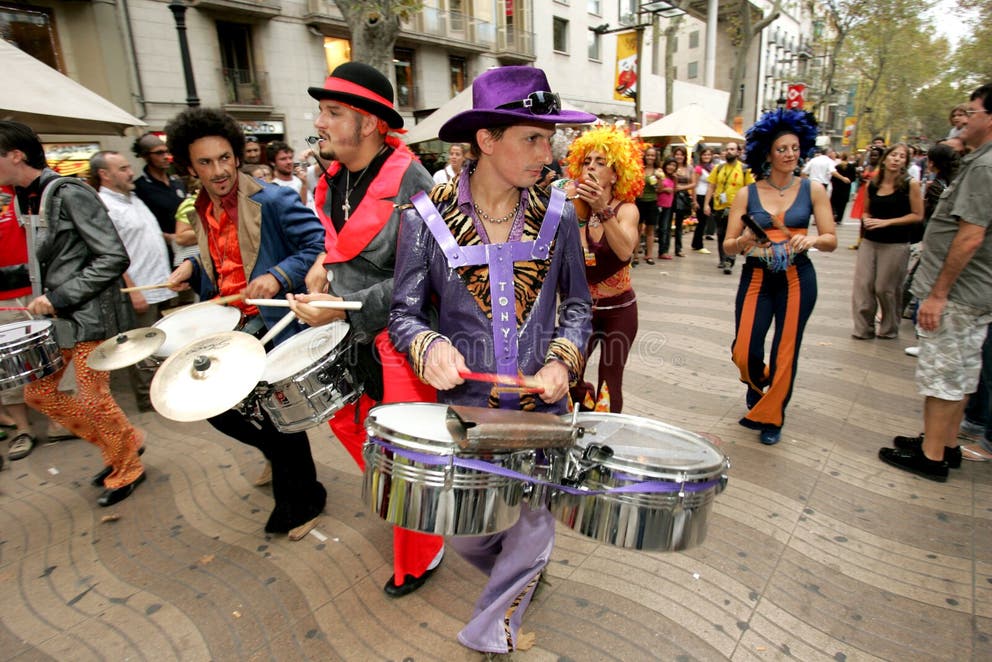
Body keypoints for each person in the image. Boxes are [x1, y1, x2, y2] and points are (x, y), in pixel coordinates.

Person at [389, 65, 594, 655]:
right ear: (486, 139)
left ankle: (490, 628)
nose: (547, 153)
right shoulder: (424, 219)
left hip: (542, 410)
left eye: (549, 138)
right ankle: (523, 569)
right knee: (466, 535)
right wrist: (426, 346)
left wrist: (562, 359)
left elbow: (578, 307)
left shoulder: (559, 215)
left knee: (535, 518)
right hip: (469, 412)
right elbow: (404, 313)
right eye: (531, 137)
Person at [285, 62, 443, 598]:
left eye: (332, 113)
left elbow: (424, 277)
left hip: (401, 334)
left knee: (402, 450)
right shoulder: (331, 181)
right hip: (351, 332)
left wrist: (343, 309)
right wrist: (319, 276)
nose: (319, 122)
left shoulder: (412, 179)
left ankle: (421, 550)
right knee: (347, 427)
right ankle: (411, 500)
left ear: (371, 123)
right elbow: (338, 248)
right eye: (321, 111)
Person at [164, 107, 327, 540]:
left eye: (224, 158)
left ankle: (305, 498)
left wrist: (278, 276)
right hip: (226, 321)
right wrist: (190, 270)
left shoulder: (272, 199)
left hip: (270, 325)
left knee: (278, 417)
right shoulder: (201, 208)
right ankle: (279, 457)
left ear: (236, 155)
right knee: (213, 409)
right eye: (205, 162)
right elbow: (218, 263)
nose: (218, 171)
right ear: (190, 166)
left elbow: (318, 244)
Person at [0, 120, 145, 505]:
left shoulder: (69, 192)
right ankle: (125, 443)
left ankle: (127, 464)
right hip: (63, 319)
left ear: (16, 155)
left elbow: (113, 257)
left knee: (95, 398)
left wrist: (59, 296)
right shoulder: (21, 197)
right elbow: (42, 264)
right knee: (39, 395)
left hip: (94, 316)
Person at [879, 83, 992, 481]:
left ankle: (932, 456)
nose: (964, 120)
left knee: (942, 374)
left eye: (972, 113)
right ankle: (943, 442)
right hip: (972, 294)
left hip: (958, 295)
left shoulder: (984, 167)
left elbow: (971, 234)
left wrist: (939, 293)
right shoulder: (980, 160)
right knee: (960, 373)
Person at [722, 109, 837, 445]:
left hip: (797, 278)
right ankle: (758, 384)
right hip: (756, 277)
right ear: (767, 154)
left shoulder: (813, 190)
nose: (790, 155)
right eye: (782, 149)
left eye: (795, 148)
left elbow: (831, 239)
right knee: (744, 351)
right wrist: (743, 241)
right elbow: (729, 245)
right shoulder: (747, 193)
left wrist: (812, 239)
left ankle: (772, 415)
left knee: (786, 350)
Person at [563, 126, 642, 412]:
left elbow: (624, 251)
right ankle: (580, 427)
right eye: (587, 161)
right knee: (569, 377)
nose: (592, 167)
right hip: (581, 311)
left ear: (615, 174)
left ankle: (605, 440)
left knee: (609, 385)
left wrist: (602, 209)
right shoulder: (571, 207)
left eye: (601, 162)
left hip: (619, 312)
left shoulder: (627, 210)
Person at [91, 150, 176, 412]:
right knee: (140, 346)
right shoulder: (103, 205)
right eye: (123, 168)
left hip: (161, 283)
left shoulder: (134, 198)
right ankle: (148, 399)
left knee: (162, 340)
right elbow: (110, 253)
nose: (131, 172)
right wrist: (131, 291)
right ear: (104, 174)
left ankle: (164, 388)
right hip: (138, 288)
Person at [850, 143, 923, 340]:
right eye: (893, 155)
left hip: (896, 243)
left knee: (885, 287)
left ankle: (889, 327)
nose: (896, 159)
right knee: (863, 285)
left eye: (901, 157)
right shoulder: (873, 184)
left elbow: (917, 215)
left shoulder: (910, 184)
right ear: (886, 158)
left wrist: (887, 223)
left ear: (905, 162)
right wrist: (866, 218)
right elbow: (866, 209)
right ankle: (863, 328)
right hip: (870, 241)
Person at [704, 141, 754, 274]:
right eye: (727, 149)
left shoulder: (744, 170)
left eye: (732, 149)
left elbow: (751, 189)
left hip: (736, 208)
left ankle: (729, 260)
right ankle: (723, 258)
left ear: (738, 152)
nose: (729, 152)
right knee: (721, 234)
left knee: (733, 234)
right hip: (719, 207)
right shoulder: (718, 168)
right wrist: (706, 204)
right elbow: (711, 186)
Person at [660, 145, 696, 259]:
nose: (679, 156)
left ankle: (678, 249)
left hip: (681, 197)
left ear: (685, 156)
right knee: (666, 223)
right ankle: (664, 249)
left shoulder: (689, 168)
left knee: (679, 224)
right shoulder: (670, 166)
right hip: (668, 197)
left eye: (681, 154)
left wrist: (680, 187)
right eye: (677, 154)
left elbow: (694, 184)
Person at [633, 146, 660, 266]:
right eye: (648, 155)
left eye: (652, 155)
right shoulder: (639, 169)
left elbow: (660, 189)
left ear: (655, 157)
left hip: (652, 202)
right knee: (637, 230)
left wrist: (659, 181)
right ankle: (635, 256)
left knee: (650, 230)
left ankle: (649, 255)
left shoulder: (658, 171)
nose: (650, 157)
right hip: (639, 202)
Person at [690, 146, 715, 253]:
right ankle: (699, 244)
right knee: (701, 221)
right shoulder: (698, 168)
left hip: (709, 196)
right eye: (705, 155)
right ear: (701, 156)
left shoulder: (713, 168)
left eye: (709, 155)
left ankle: (696, 243)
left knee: (704, 221)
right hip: (700, 195)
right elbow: (694, 185)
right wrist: (694, 200)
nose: (706, 157)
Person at [656, 157, 678, 261]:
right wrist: (665, 189)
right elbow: (657, 189)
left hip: (669, 206)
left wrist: (676, 180)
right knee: (661, 228)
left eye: (674, 165)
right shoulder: (660, 175)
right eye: (669, 164)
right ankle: (660, 251)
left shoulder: (673, 178)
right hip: (659, 205)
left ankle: (663, 251)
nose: (671, 167)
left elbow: (675, 190)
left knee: (666, 229)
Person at [830, 151, 857, 224]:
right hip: (846, 188)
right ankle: (839, 219)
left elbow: (832, 178)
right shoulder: (851, 167)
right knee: (843, 204)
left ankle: (834, 213)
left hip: (836, 188)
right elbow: (853, 178)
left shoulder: (837, 166)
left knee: (834, 202)